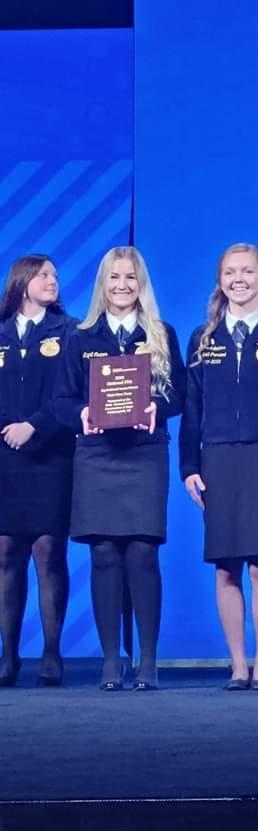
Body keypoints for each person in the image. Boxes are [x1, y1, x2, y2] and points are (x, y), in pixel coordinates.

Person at [55, 246, 185, 691]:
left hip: (145, 454)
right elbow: (61, 401)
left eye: (130, 278)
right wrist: (83, 416)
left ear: (141, 283)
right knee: (105, 553)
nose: (122, 286)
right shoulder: (81, 337)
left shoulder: (162, 334)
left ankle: (148, 659)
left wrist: (155, 408)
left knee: (143, 553)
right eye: (114, 278)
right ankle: (112, 659)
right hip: (97, 456)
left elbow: (180, 397)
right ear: (102, 285)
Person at [180, 243, 258, 691]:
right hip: (218, 458)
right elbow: (192, 407)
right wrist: (189, 465)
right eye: (231, 272)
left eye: (248, 272)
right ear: (220, 282)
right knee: (225, 566)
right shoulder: (203, 339)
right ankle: (237, 665)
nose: (239, 279)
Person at [0, 255, 78, 686]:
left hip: (51, 454)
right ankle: (8, 656)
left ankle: (52, 653)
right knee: (7, 552)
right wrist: (9, 428)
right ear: (22, 281)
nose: (52, 280)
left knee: (49, 552)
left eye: (54, 275)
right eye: (44, 274)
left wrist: (35, 426)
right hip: (4, 456)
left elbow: (72, 394)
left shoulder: (69, 332)